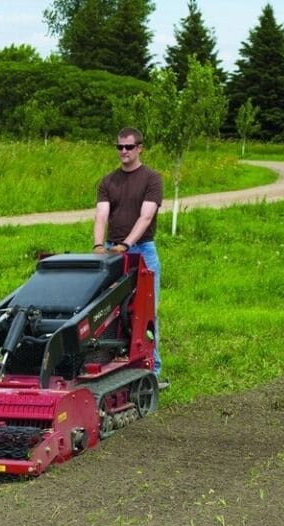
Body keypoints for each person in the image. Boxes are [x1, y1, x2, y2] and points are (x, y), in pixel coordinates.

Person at [92, 127, 168, 389]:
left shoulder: (152, 179)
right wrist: (99, 245)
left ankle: (152, 370)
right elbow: (102, 214)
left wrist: (127, 244)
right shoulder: (108, 181)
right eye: (120, 147)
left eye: (129, 147)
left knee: (146, 314)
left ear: (139, 148)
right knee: (108, 313)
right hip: (112, 253)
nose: (123, 151)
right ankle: (113, 364)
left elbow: (146, 216)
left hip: (142, 252)